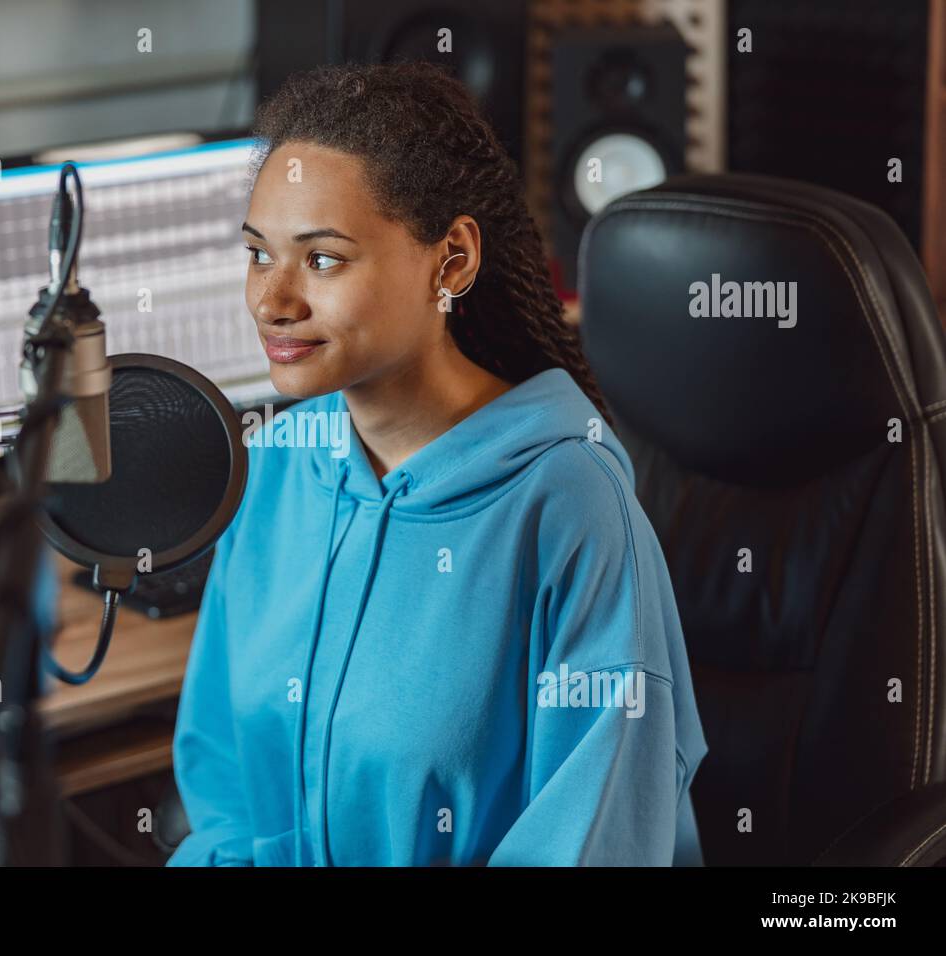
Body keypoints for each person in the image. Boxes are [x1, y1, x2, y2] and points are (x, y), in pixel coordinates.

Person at [166, 61, 707, 866]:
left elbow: (593, 845)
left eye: (322, 260)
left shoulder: (570, 508)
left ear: (451, 260)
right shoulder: (277, 466)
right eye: (257, 254)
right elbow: (227, 794)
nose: (272, 301)